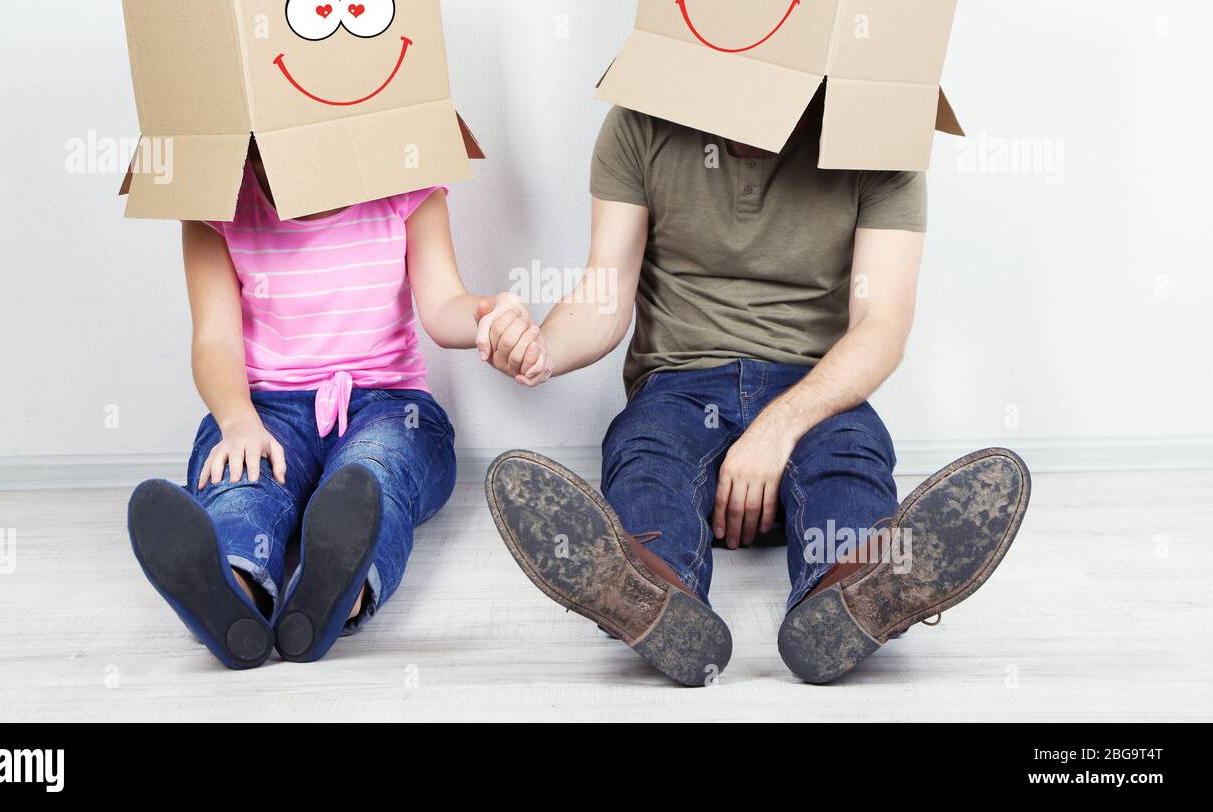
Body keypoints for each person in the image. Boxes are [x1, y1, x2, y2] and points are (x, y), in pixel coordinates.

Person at [478, 99, 1031, 685]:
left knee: (847, 456)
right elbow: (605, 298)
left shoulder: (878, 132)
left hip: (815, 386)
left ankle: (856, 594)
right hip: (678, 385)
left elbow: (882, 325)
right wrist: (541, 348)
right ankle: (650, 594)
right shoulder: (641, 121)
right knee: (646, 454)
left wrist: (777, 428)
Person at [128, 146, 530, 669]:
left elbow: (443, 308)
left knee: (376, 471)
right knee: (242, 482)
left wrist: (485, 315)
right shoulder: (217, 199)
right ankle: (231, 598)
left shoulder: (406, 178)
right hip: (264, 410)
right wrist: (237, 420)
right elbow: (214, 341)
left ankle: (336, 596)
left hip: (387, 405)